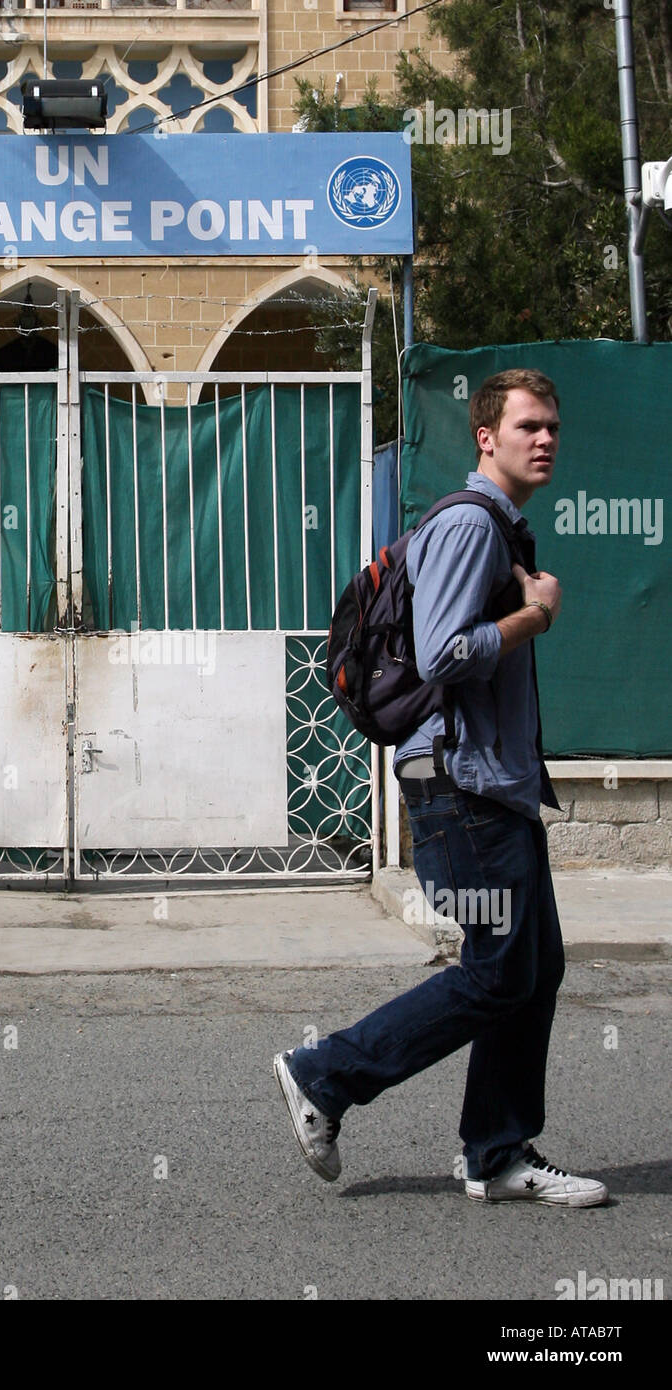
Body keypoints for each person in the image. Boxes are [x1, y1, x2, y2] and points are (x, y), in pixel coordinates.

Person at [274, 367, 608, 1206]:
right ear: (485, 438)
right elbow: (442, 655)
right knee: (499, 972)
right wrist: (532, 619)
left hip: (493, 785)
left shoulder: (496, 526)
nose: (545, 440)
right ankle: (326, 1074)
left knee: (534, 968)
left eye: (553, 428)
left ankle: (496, 1151)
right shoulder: (469, 526)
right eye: (529, 425)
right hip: (460, 786)